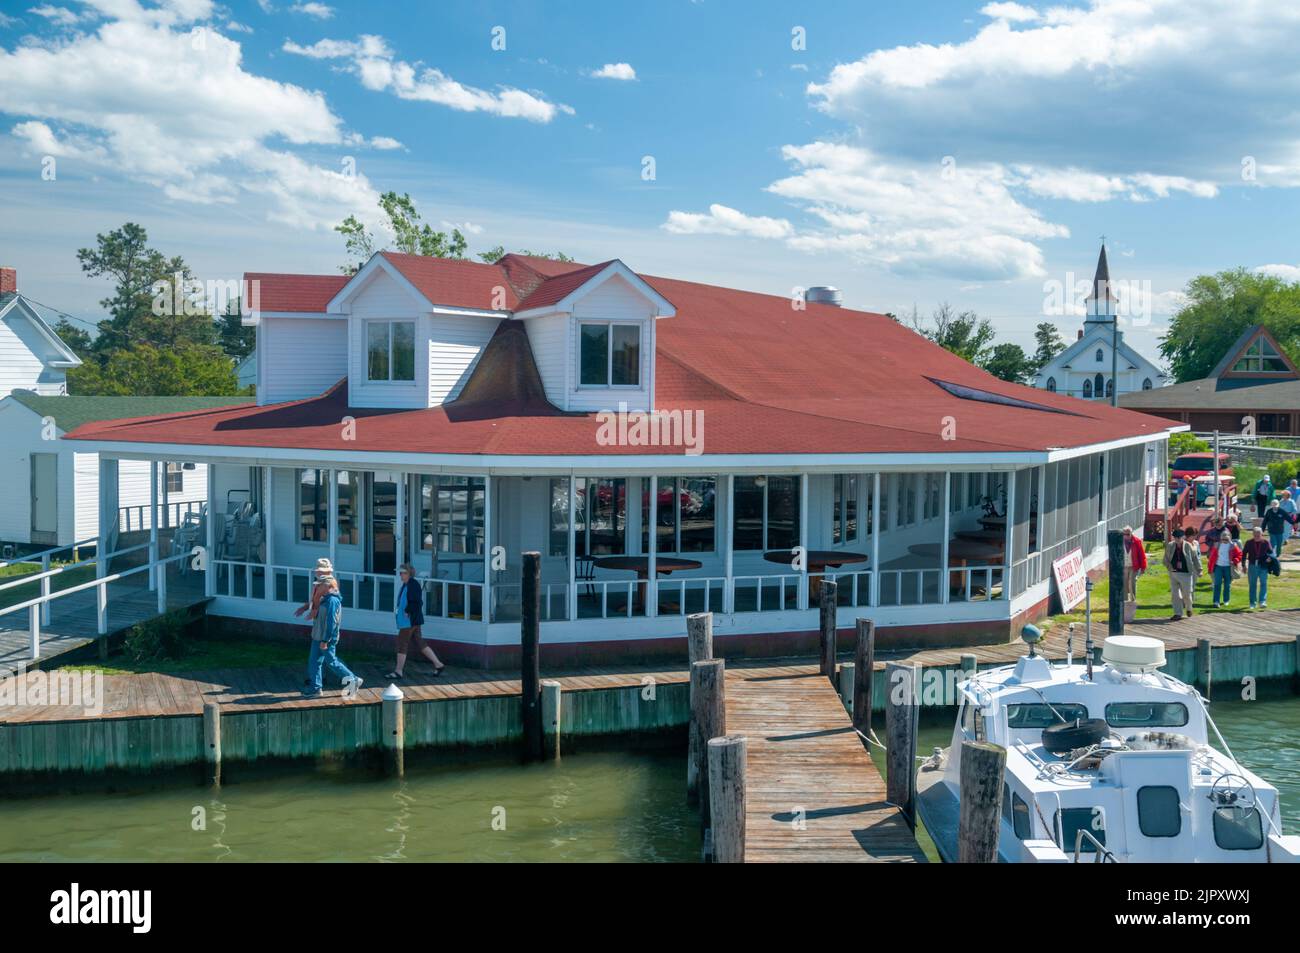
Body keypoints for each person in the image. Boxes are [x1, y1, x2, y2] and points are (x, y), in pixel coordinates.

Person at [303, 575, 363, 699]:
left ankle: (353, 679)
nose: (317, 587)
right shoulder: (324, 599)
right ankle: (316, 688)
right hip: (317, 637)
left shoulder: (333, 601)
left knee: (332, 662)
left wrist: (326, 640)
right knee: (314, 662)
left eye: (319, 585)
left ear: (327, 586)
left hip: (326, 639)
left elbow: (332, 622)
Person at [387, 562, 445, 680]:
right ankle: (438, 664)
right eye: (400, 573)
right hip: (412, 621)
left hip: (409, 621)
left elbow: (417, 602)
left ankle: (398, 671)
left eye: (403, 573)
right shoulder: (407, 584)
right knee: (420, 642)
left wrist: (408, 611)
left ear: (409, 574)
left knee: (402, 644)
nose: (400, 575)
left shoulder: (413, 585)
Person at [1163, 527, 1201, 620]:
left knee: (1187, 594)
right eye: (1175, 537)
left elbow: (1195, 558)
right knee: (1175, 594)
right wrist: (1169, 567)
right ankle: (1177, 613)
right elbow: (1165, 559)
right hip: (1174, 573)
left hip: (1186, 574)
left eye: (1179, 537)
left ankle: (1189, 608)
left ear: (1183, 537)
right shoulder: (1170, 545)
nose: (1177, 539)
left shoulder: (1188, 546)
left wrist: (1199, 569)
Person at [1206, 530, 1242, 608]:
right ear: (1220, 538)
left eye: (1226, 539)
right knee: (1217, 584)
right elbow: (1212, 557)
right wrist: (1210, 568)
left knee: (1227, 585)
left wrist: (1235, 561)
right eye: (1223, 538)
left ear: (1230, 538)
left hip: (1228, 567)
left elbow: (1240, 555)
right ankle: (1216, 601)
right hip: (1218, 567)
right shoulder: (1216, 545)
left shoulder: (1233, 545)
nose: (1224, 540)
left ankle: (1226, 600)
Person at [1243, 527, 1273, 609]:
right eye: (1255, 534)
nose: (1257, 536)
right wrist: (1243, 565)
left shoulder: (1266, 542)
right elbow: (1244, 554)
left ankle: (1262, 602)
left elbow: (1271, 552)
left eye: (1258, 534)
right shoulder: (1249, 542)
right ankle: (1252, 603)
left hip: (1263, 566)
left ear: (1261, 534)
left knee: (1263, 583)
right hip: (1252, 565)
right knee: (1252, 585)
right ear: (1253, 534)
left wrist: (1269, 558)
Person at [1120, 525, 1147, 602]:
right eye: (1124, 534)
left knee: (1132, 583)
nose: (1126, 536)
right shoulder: (1120, 542)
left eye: (1128, 534)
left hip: (1133, 566)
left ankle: (1133, 600)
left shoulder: (1137, 541)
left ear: (1131, 533)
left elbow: (1142, 555)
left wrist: (1143, 567)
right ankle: (1125, 600)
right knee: (1124, 583)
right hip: (1124, 566)